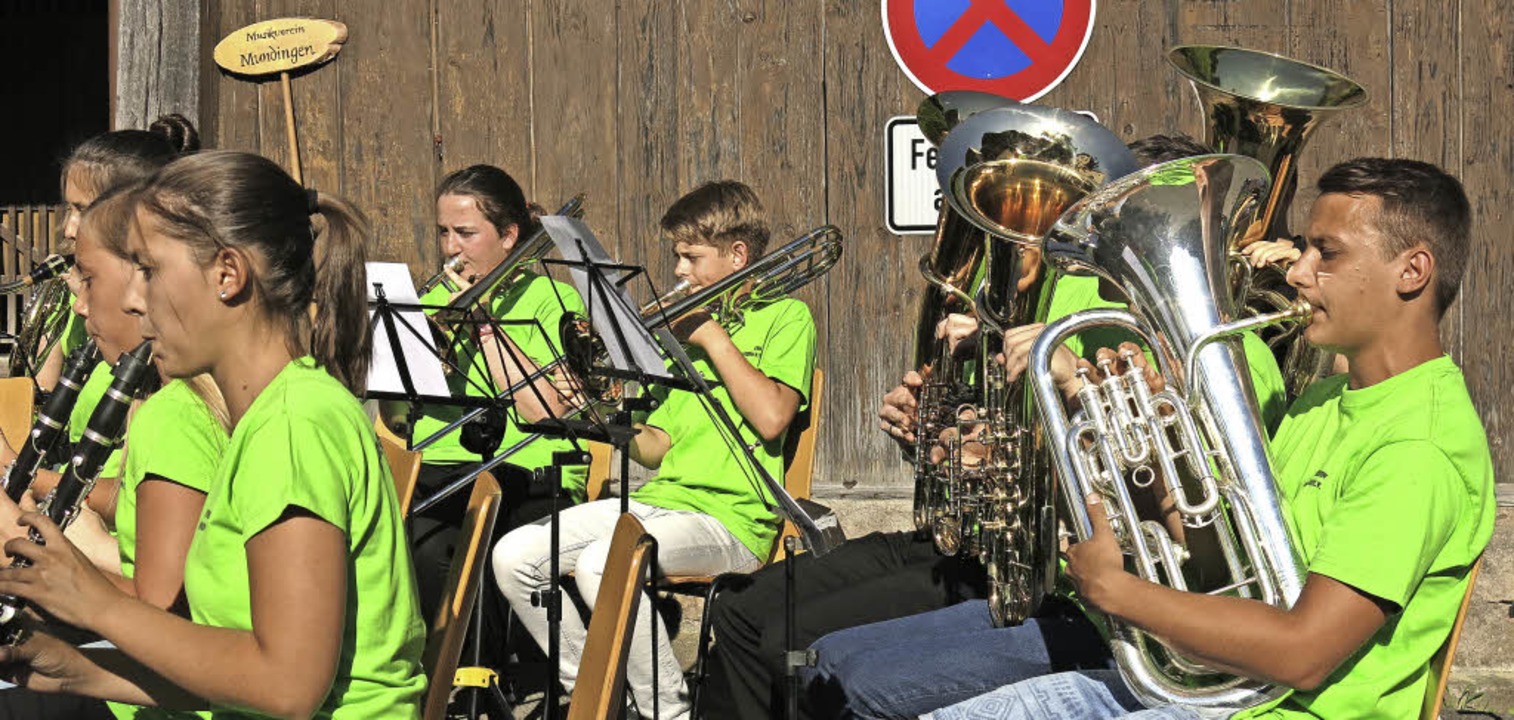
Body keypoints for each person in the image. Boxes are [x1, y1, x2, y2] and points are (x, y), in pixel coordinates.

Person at [844, 157, 1493, 720]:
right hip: (1214, 690)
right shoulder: (1325, 399)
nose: (1297, 271)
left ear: (1412, 271)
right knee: (852, 685)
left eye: (1329, 253)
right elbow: (1223, 572)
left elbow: (1303, 653)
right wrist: (1134, 448)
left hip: (1271, 707)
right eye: (1305, 249)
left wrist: (1118, 590)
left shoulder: (1419, 447)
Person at [699, 134, 1291, 720]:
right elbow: (1036, 455)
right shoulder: (1086, 314)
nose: (1105, 244)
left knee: (828, 666)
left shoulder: (1232, 362)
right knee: (770, 628)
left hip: (1134, 614)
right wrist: (956, 445)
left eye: (1128, 227)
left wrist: (1076, 395)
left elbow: (1208, 537)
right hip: (1050, 578)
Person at [0, 150, 426, 718]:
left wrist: (98, 605)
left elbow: (287, 687)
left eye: (149, 271)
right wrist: (76, 670)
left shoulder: (293, 426)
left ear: (228, 274)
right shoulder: (271, 415)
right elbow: (234, 669)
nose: (133, 297)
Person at [492, 179, 816, 719]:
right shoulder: (676, 339)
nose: (679, 273)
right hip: (662, 504)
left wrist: (713, 338)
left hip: (733, 519)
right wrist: (592, 416)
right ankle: (598, 695)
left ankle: (668, 710)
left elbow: (771, 418)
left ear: (737, 255)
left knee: (603, 564)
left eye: (691, 258)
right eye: (676, 258)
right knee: (514, 556)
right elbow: (657, 447)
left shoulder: (785, 318)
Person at [0, 186, 228, 720]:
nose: (78, 302)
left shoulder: (176, 414)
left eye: (88, 278)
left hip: (147, 687)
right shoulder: (166, 403)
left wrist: (21, 529)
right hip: (140, 667)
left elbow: (167, 609)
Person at [395, 164, 587, 642]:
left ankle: (469, 674)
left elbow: (543, 410)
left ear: (508, 235)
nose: (449, 249)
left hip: (530, 474)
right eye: (443, 233)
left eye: (465, 233)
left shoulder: (554, 300)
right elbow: (398, 420)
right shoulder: (430, 300)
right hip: (440, 466)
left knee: (434, 544)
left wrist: (483, 323)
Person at [31, 115, 201, 514]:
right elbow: (41, 388)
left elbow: (135, 510)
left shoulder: (173, 386)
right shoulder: (84, 307)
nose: (70, 229)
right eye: (67, 209)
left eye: (82, 210)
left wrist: (28, 485)